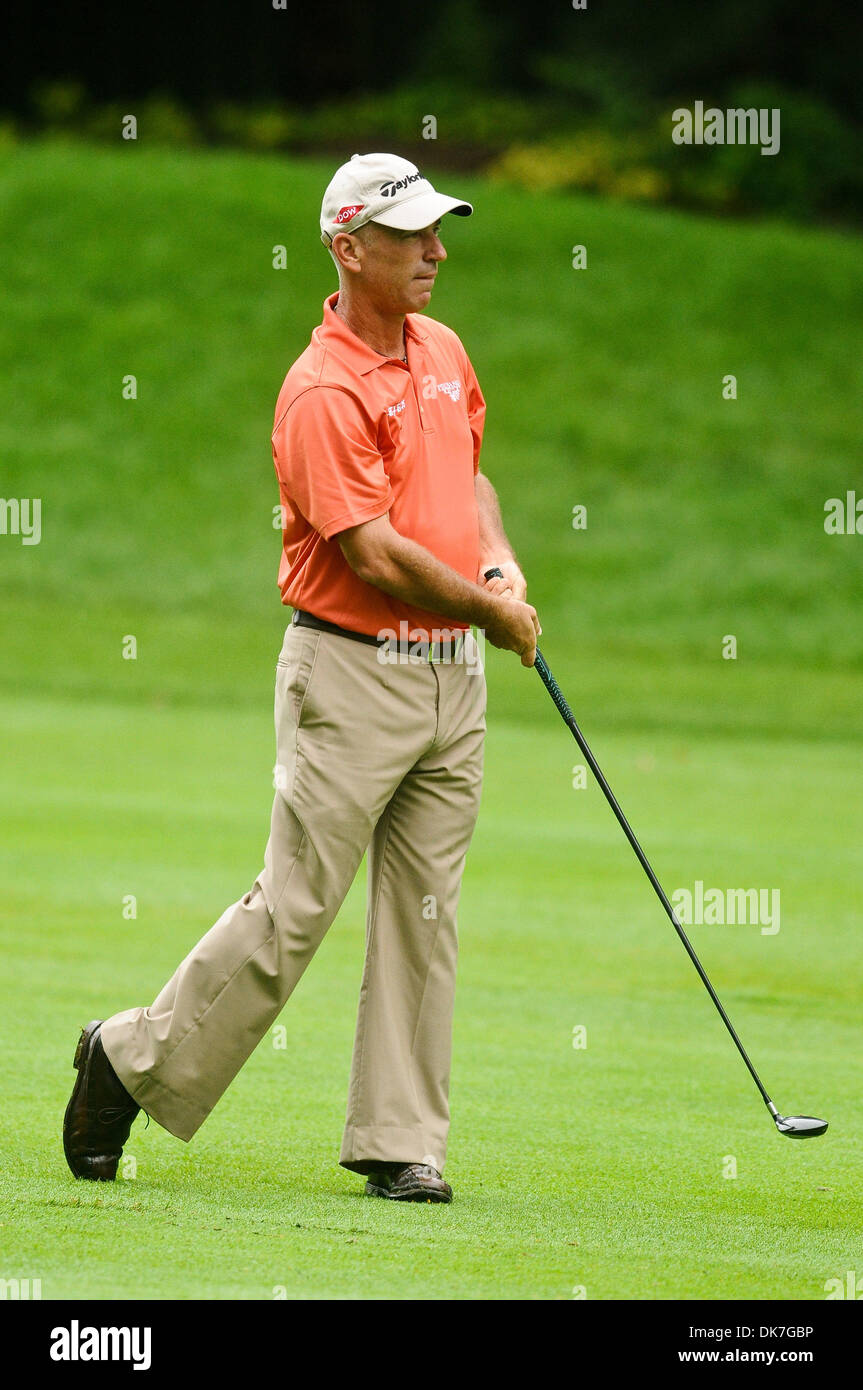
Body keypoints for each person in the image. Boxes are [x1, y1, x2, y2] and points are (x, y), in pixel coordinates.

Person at [63, 153, 539, 1203]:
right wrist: (491, 609)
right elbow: (369, 552)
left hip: (451, 676)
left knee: (423, 912)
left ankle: (398, 1140)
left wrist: (497, 562)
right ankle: (125, 1058)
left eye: (436, 231)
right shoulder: (319, 388)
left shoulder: (444, 350)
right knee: (293, 911)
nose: (435, 251)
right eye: (412, 234)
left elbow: (470, 478)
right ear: (348, 245)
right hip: (349, 672)